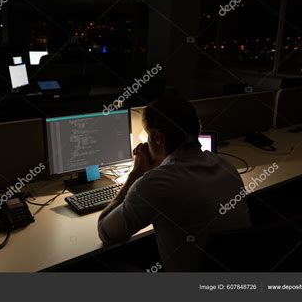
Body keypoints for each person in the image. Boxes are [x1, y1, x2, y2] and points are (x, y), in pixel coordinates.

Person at [97, 96, 251, 271]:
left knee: (107, 264)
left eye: (148, 134)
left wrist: (135, 174)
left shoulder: (154, 184)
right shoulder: (226, 165)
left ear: (158, 138)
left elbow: (106, 233)